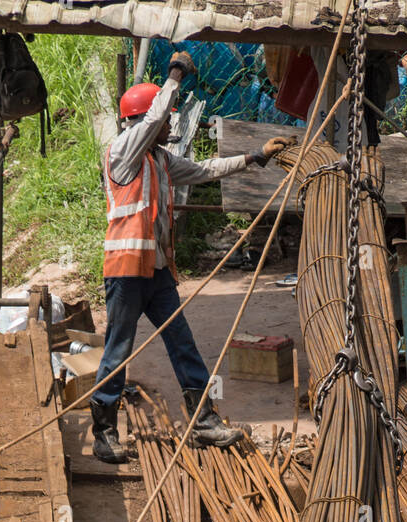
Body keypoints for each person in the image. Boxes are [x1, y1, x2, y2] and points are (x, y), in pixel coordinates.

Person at [91, 50, 291, 464]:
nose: (171, 124)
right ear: (146, 120)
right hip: (127, 271)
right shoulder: (123, 152)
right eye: (166, 119)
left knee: (182, 342)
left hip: (157, 272)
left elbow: (203, 170)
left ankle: (203, 421)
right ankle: (104, 431)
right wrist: (176, 73)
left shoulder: (160, 160)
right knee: (118, 348)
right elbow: (153, 116)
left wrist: (255, 157)